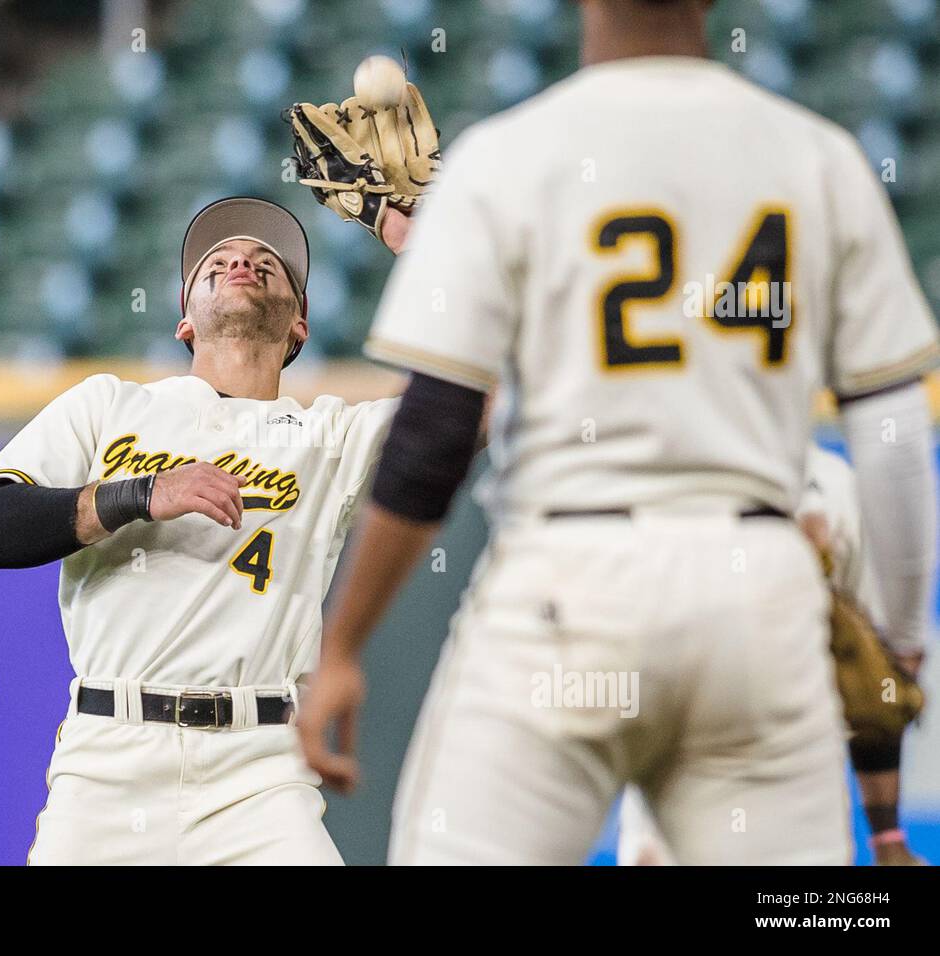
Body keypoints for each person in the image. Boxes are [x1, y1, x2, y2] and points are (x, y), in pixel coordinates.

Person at [297, 0, 939, 864]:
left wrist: (343, 643)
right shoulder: (817, 155)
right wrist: (899, 641)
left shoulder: (510, 155)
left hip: (569, 586)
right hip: (757, 597)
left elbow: (434, 434)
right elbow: (894, 433)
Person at [0, 197, 399, 865]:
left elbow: (476, 410)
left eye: (266, 263)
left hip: (260, 772)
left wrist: (417, 238)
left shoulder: (330, 436)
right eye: (216, 262)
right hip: (109, 760)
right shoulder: (110, 404)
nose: (241, 261)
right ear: (185, 319)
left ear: (300, 325)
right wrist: (140, 492)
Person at [619, 445, 928, 866]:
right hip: (722, 777)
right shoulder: (651, 479)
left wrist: (888, 839)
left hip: (783, 781)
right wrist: (887, 840)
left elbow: (871, 692)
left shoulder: (835, 487)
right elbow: (878, 697)